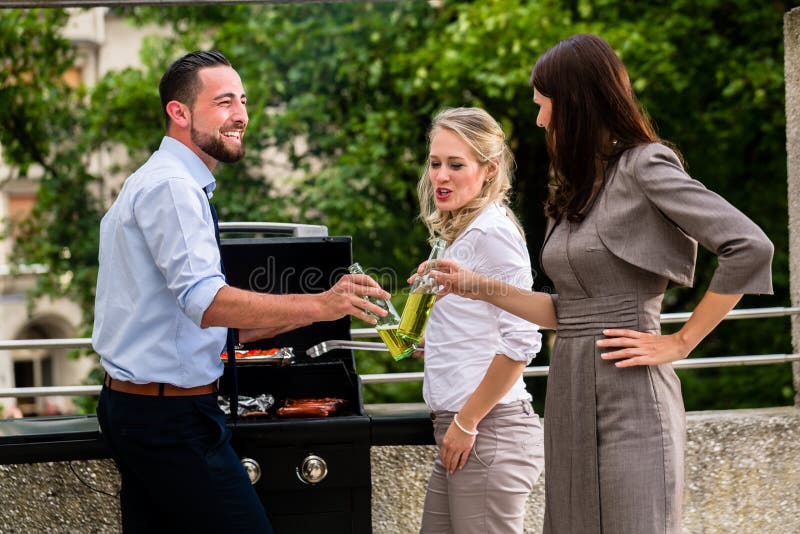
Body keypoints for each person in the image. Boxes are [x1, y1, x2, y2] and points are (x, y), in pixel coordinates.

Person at [423, 35, 773, 534]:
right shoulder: (578, 185)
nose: (541, 120)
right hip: (567, 401)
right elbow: (566, 312)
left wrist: (680, 341)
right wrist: (475, 286)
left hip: (633, 402)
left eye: (545, 107)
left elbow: (749, 246)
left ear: (576, 102)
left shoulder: (646, 165)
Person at [92, 50, 389, 533]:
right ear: (180, 112)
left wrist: (327, 307)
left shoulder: (161, 181)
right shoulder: (172, 188)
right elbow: (208, 302)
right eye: (224, 102)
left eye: (243, 102)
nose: (241, 115)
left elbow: (224, 322)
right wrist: (318, 302)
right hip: (167, 419)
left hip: (147, 410)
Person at [414, 107, 544, 534]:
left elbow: (522, 343)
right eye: (435, 163)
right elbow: (478, 329)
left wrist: (466, 423)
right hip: (462, 429)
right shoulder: (458, 235)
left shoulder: (491, 232)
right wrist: (431, 342)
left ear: (488, 170)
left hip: (488, 431)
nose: (441, 176)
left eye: (456, 164)